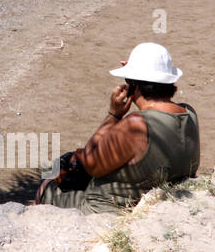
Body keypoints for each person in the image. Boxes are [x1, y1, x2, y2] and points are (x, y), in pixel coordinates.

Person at [34, 43, 199, 214]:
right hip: (155, 195)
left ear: (133, 85)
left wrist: (114, 115)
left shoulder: (136, 125)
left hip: (108, 210)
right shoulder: (189, 113)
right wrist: (134, 73)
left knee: (48, 181)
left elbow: (91, 164)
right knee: (74, 159)